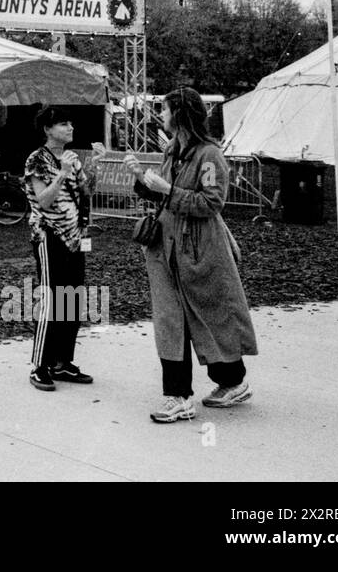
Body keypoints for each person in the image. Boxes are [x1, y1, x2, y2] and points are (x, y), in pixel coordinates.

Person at [123, 87, 258, 424]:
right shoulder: (173, 150)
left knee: (211, 314)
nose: (162, 116)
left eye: (166, 111)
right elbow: (163, 195)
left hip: (199, 248)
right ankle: (178, 395)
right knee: (171, 319)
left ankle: (231, 382)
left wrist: (167, 190)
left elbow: (212, 203)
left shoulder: (209, 155)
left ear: (180, 114)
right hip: (166, 248)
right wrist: (141, 178)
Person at [22, 106, 93, 391]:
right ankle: (40, 364)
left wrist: (94, 166)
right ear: (48, 129)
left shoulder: (72, 160)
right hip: (49, 236)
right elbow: (44, 201)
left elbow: (85, 194)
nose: (70, 128)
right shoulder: (37, 160)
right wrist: (62, 172)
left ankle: (63, 362)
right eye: (63, 124)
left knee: (73, 299)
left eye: (70, 123)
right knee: (52, 299)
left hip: (74, 237)